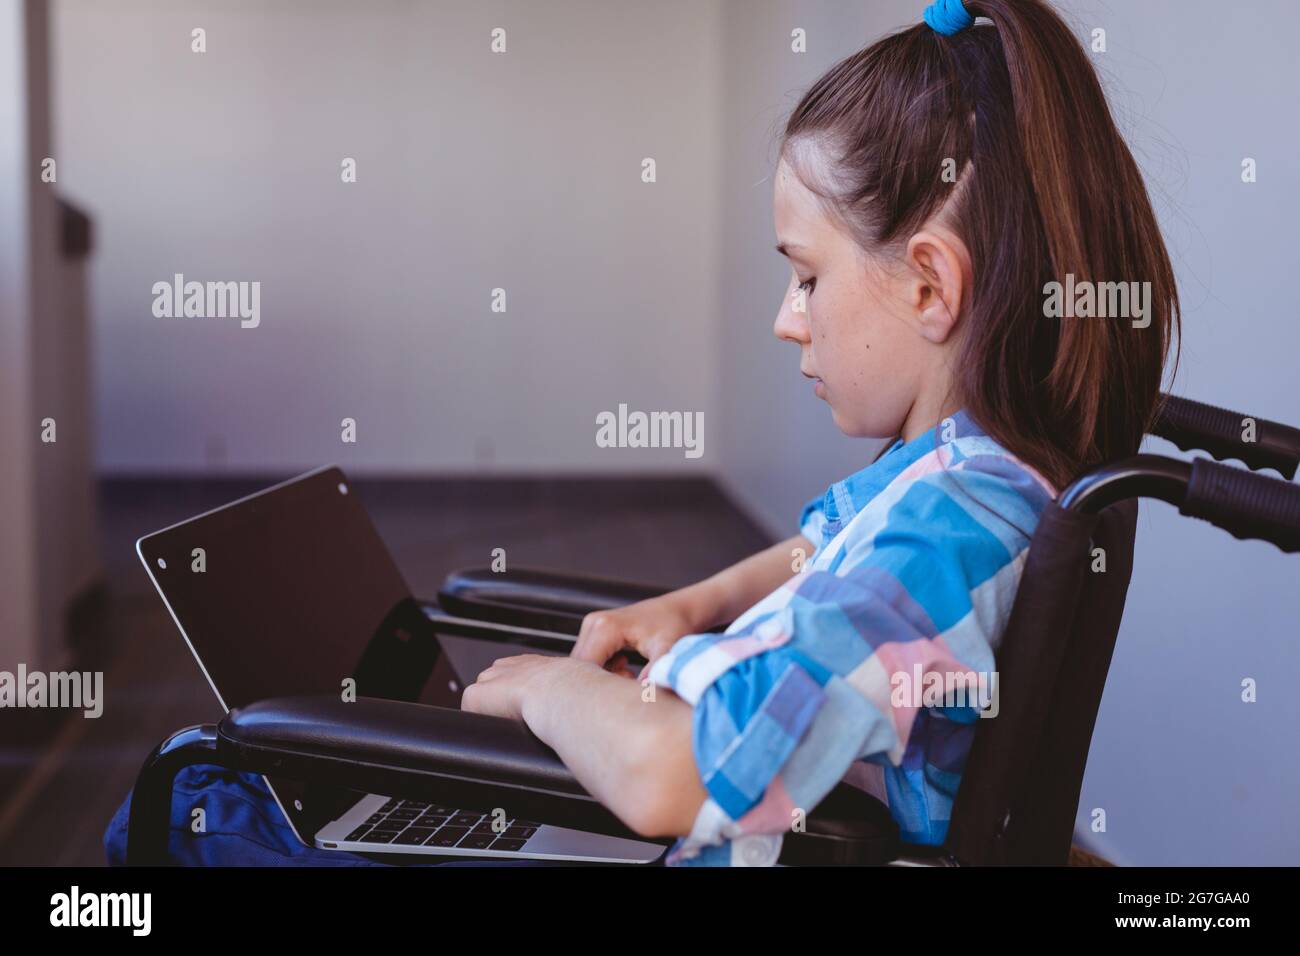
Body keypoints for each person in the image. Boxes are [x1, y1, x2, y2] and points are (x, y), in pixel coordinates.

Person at [461, 0, 1179, 865]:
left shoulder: (945, 535)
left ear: (927, 288)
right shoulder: (983, 474)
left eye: (806, 277)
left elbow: (668, 774)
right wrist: (695, 606)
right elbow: (833, 549)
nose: (787, 320)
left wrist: (550, 686)